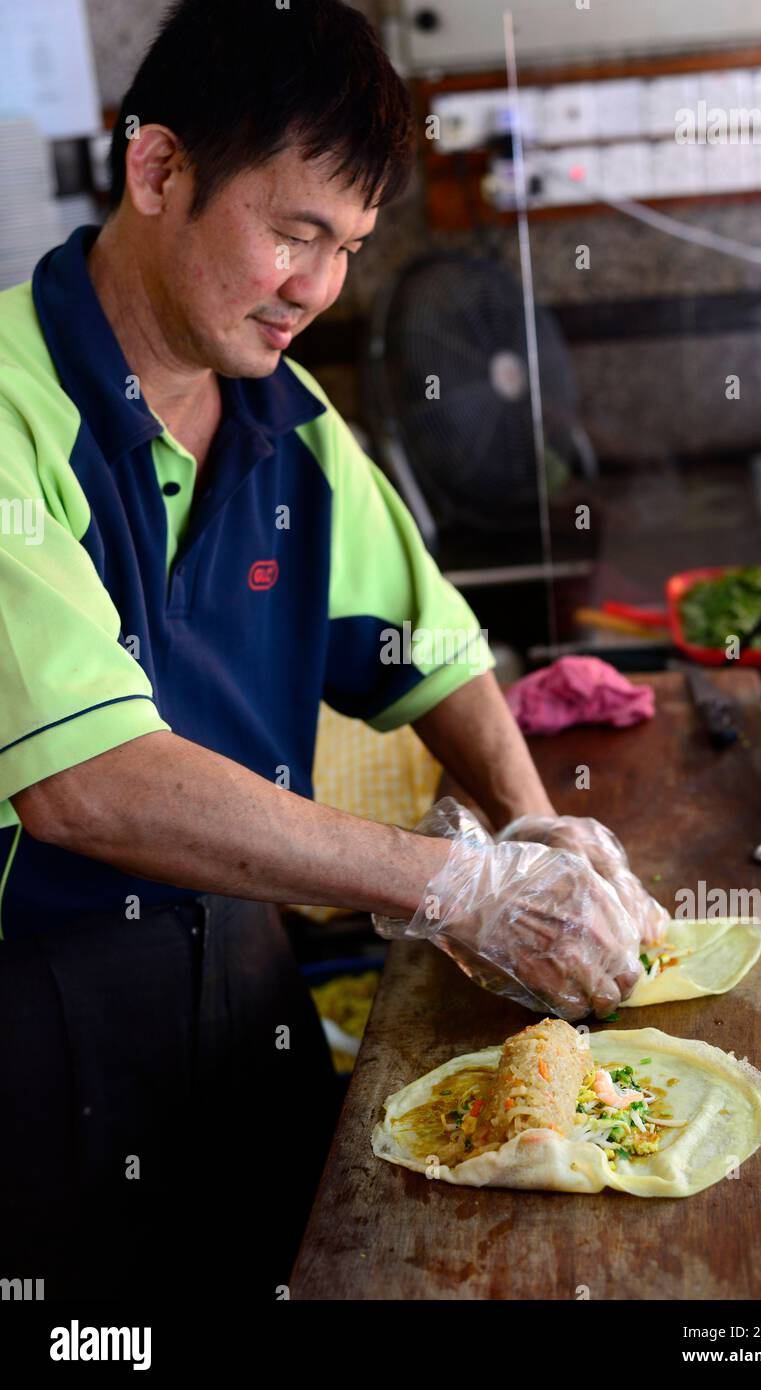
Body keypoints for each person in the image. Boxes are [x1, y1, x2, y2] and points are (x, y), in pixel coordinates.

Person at [0, 0, 661, 1300]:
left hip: (249, 971)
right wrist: (455, 888)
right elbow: (91, 778)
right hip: (41, 1022)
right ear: (157, 170)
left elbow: (432, 647)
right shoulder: (14, 414)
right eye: (294, 232)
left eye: (348, 247)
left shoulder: (282, 414)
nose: (320, 288)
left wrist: (536, 847)